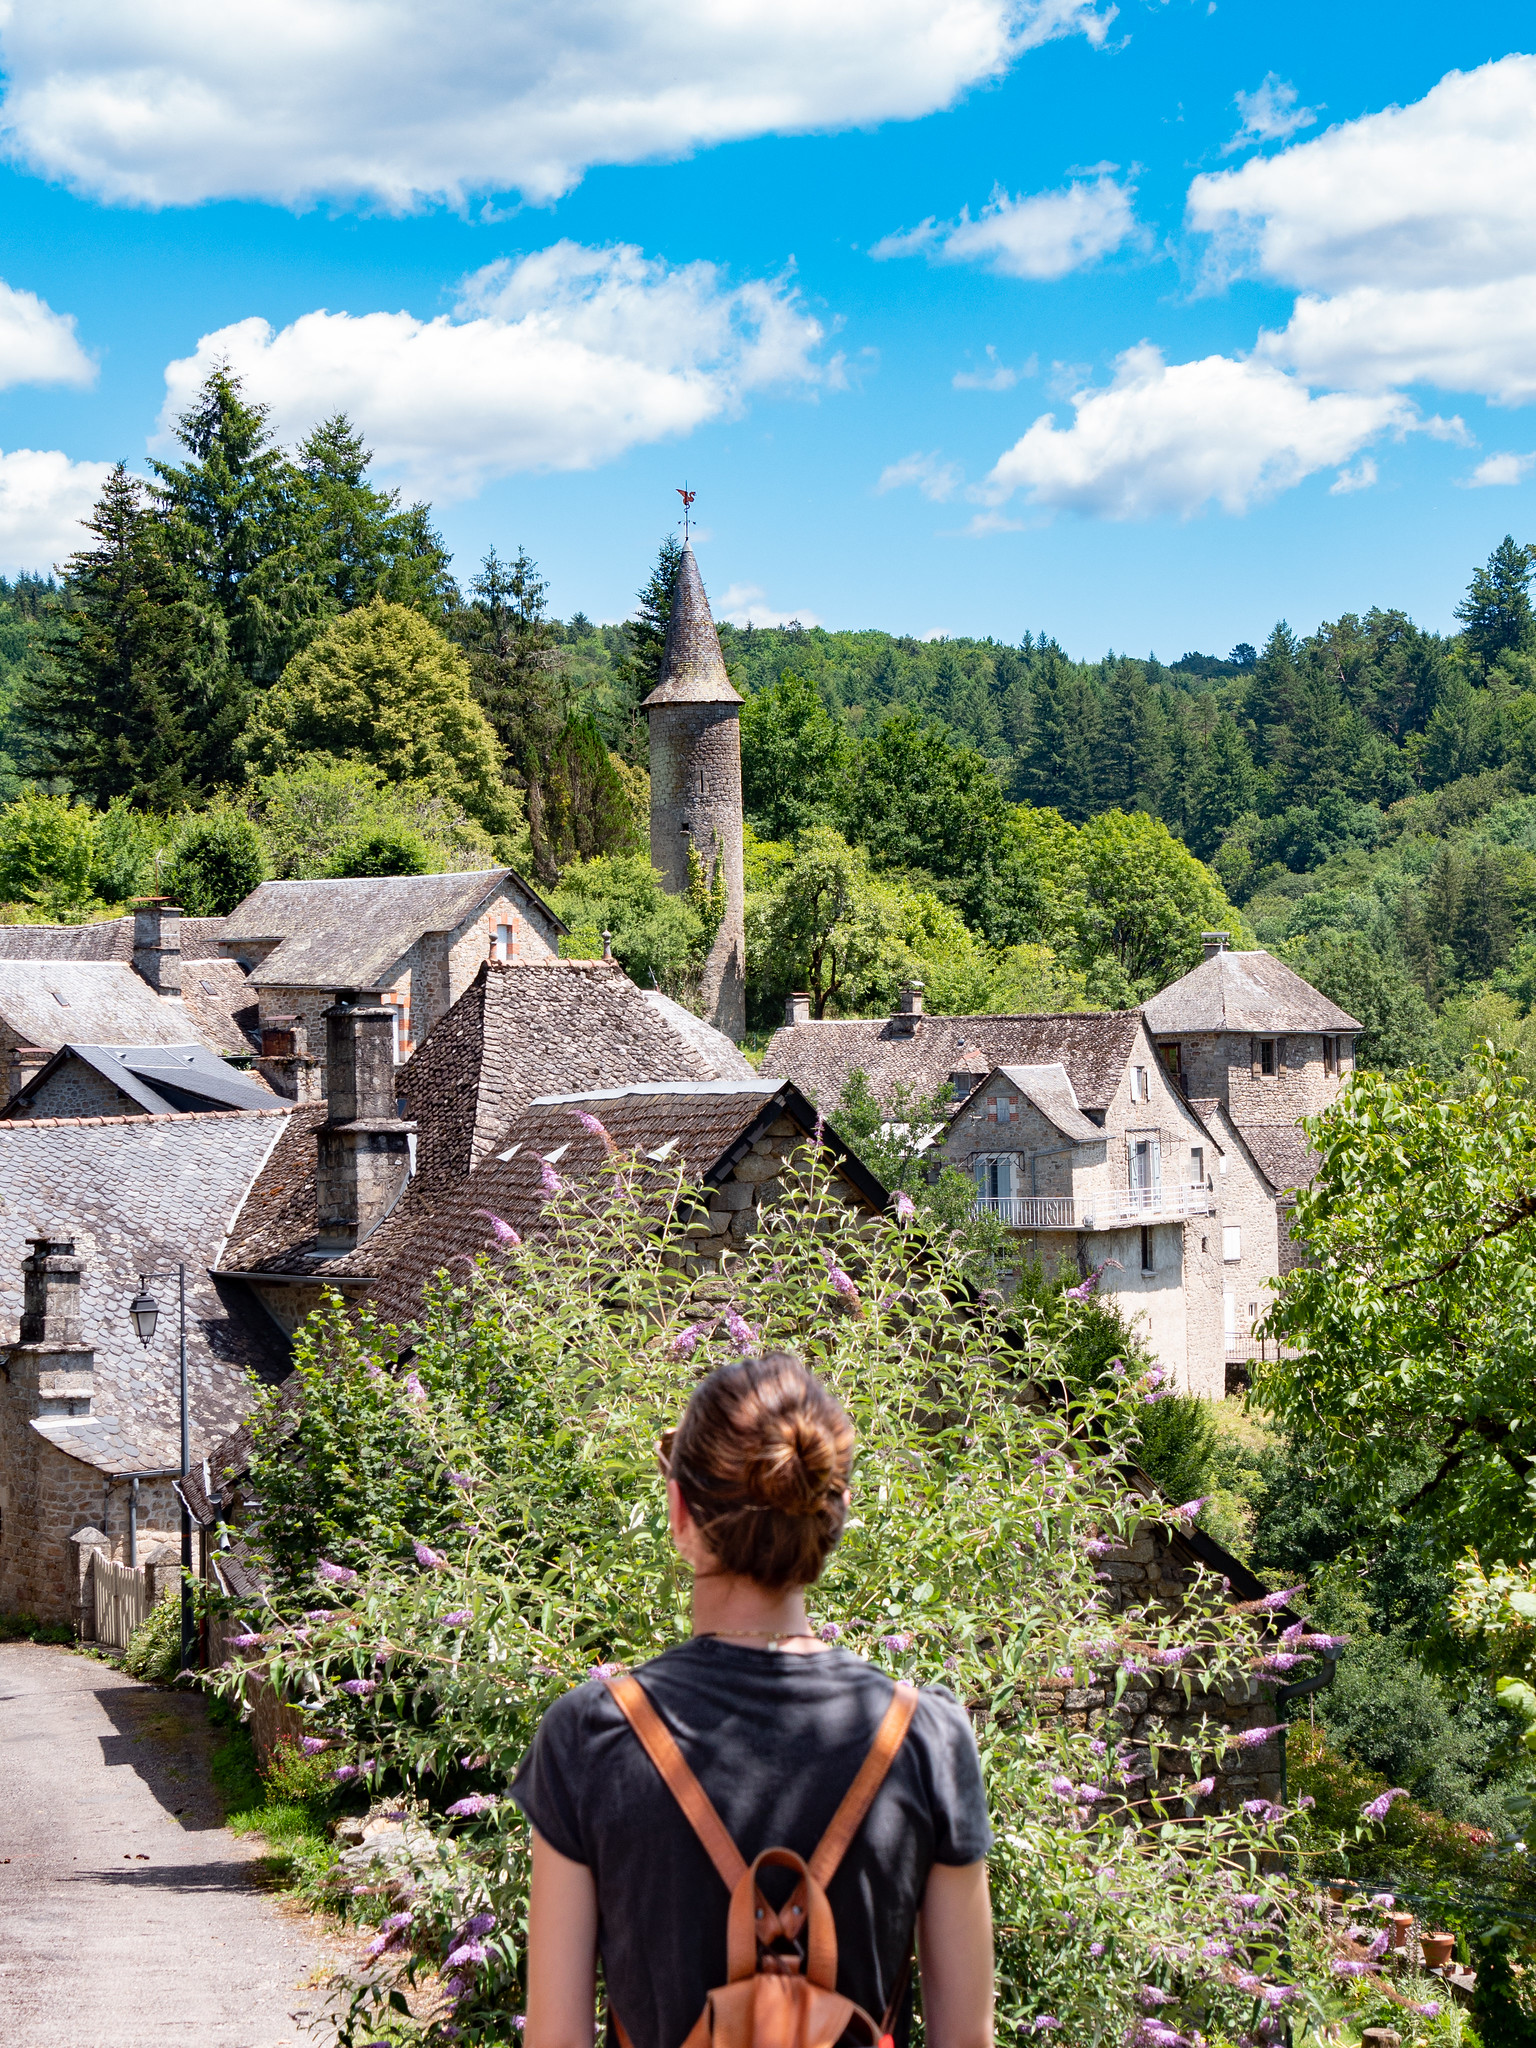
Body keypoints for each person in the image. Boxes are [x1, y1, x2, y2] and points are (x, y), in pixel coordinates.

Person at [512, 1350, 995, 2048]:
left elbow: (554, 2038)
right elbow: (967, 2041)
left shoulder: (589, 1738)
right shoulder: (926, 1739)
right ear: (833, 1517)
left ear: (679, 1511)